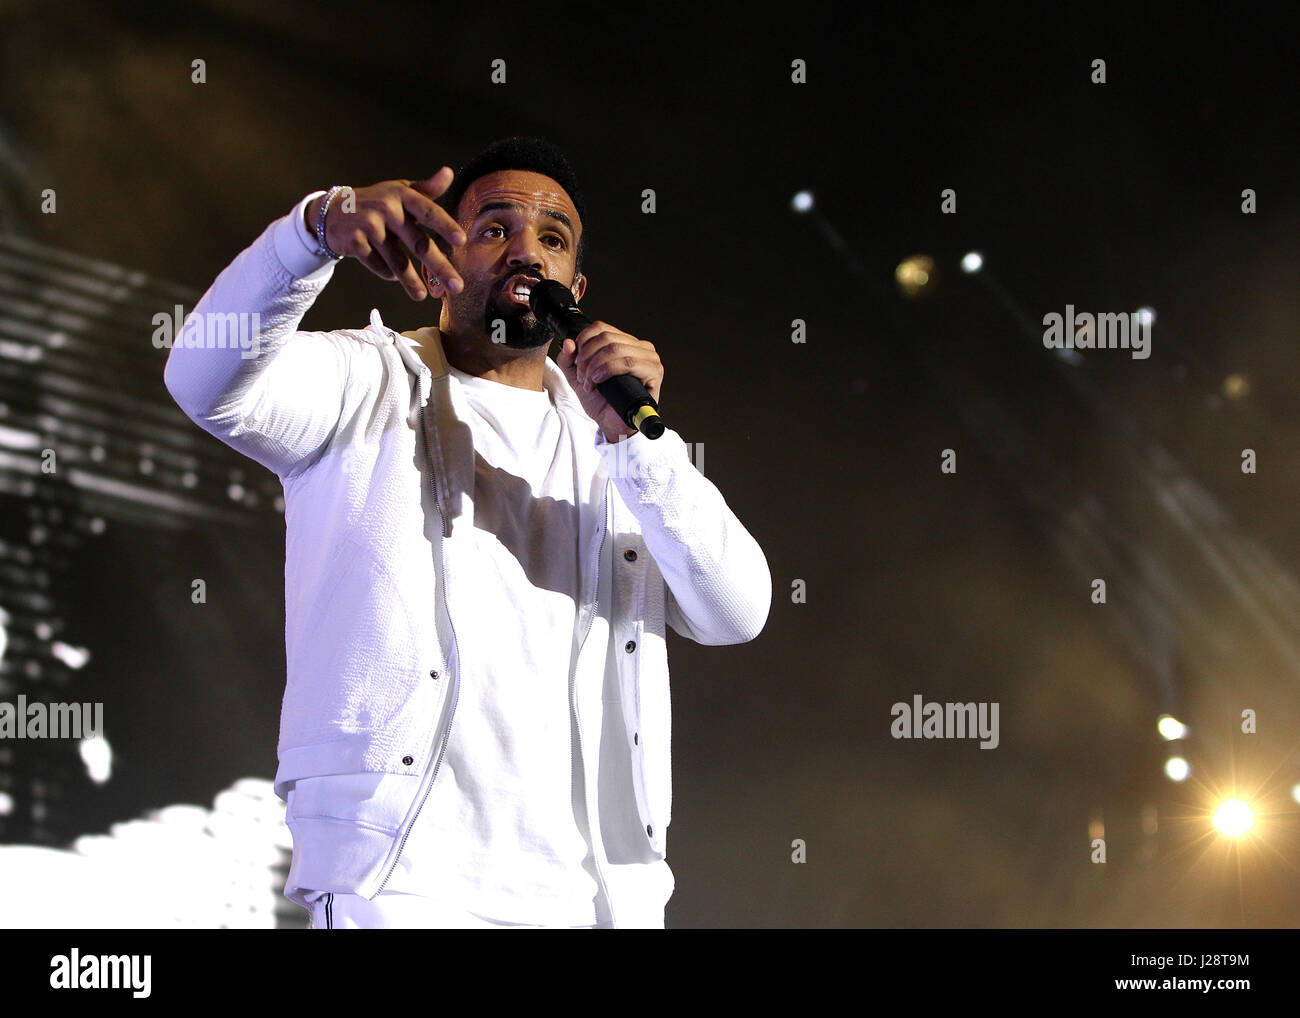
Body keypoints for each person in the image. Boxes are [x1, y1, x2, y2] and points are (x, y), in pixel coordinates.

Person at [163, 136, 771, 928]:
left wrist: (642, 446)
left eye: (553, 238)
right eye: (495, 227)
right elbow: (200, 378)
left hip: (597, 903)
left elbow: (738, 611)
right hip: (407, 891)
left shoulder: (619, 450)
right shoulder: (364, 381)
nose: (527, 249)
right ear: (440, 260)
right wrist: (310, 234)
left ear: (575, 288)